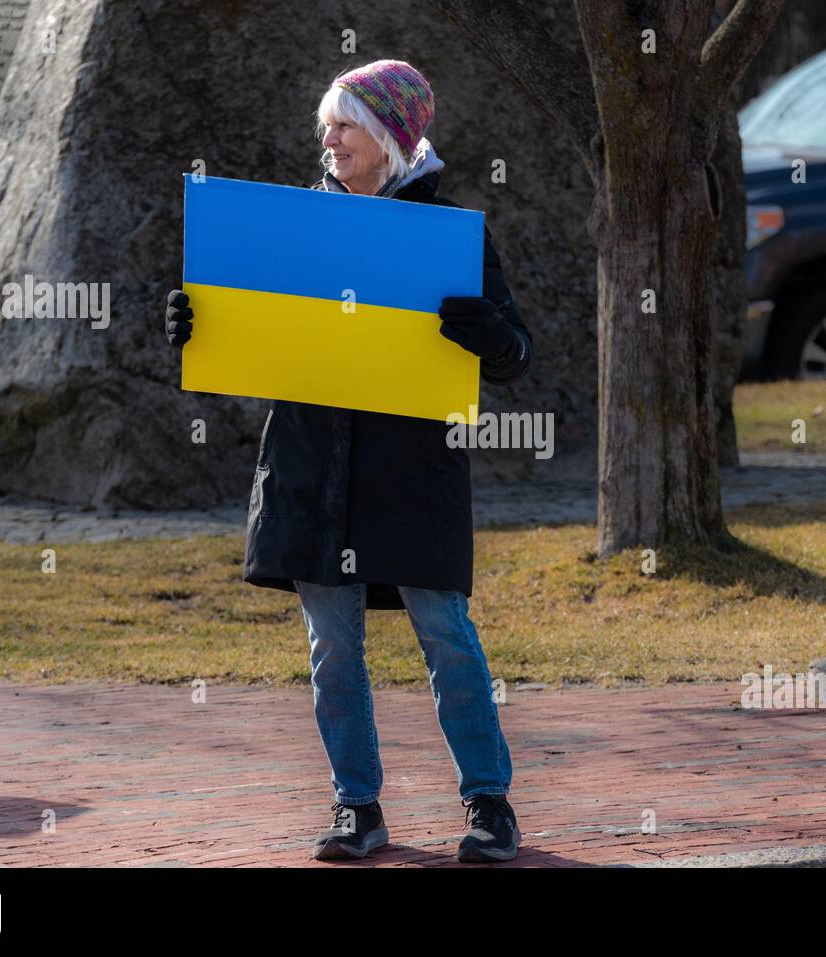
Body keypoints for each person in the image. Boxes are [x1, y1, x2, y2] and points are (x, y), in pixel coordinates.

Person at [163, 59, 531, 863]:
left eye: (346, 124)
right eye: (328, 123)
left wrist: (488, 333)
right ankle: (355, 806)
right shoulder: (292, 225)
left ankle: (489, 804)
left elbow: (514, 352)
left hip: (413, 475)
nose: (328, 137)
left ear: (391, 140)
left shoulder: (447, 232)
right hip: (311, 471)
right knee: (333, 649)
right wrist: (199, 323)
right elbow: (249, 340)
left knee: (445, 632)